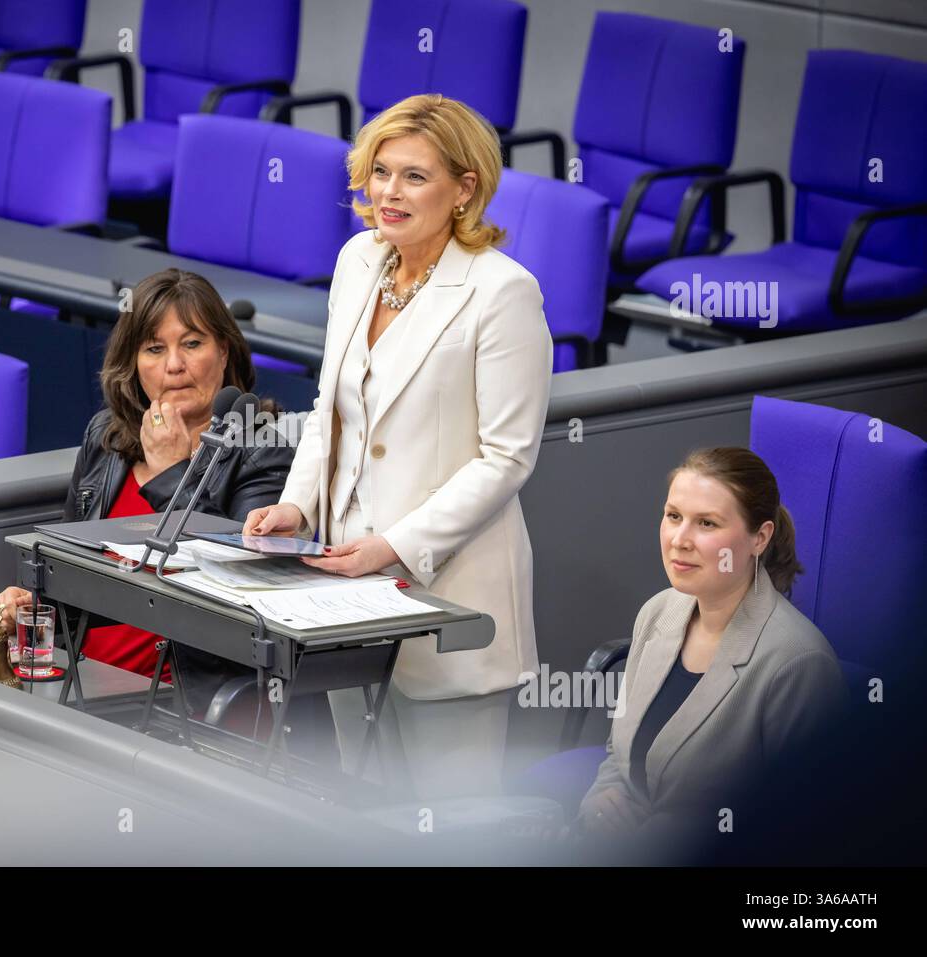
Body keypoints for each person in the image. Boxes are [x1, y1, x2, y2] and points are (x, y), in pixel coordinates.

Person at [243, 94, 554, 799]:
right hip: (346, 594)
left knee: (454, 829)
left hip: (449, 596)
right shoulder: (359, 260)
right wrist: (295, 504)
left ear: (465, 187)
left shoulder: (503, 293)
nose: (388, 191)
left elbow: (507, 459)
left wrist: (394, 545)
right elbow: (331, 408)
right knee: (364, 818)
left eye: (414, 176)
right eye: (380, 171)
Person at [0, 268, 293, 705]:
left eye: (192, 344)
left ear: (225, 351)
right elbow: (71, 573)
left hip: (179, 700)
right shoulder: (106, 438)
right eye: (155, 348)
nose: (174, 365)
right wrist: (34, 604)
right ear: (133, 363)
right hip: (78, 681)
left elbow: (232, 595)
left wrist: (173, 470)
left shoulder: (263, 448)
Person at [577, 447, 847, 839]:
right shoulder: (658, 613)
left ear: (760, 537)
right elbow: (619, 755)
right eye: (673, 517)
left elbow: (804, 828)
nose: (679, 540)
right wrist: (601, 800)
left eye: (706, 523)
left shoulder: (798, 663)